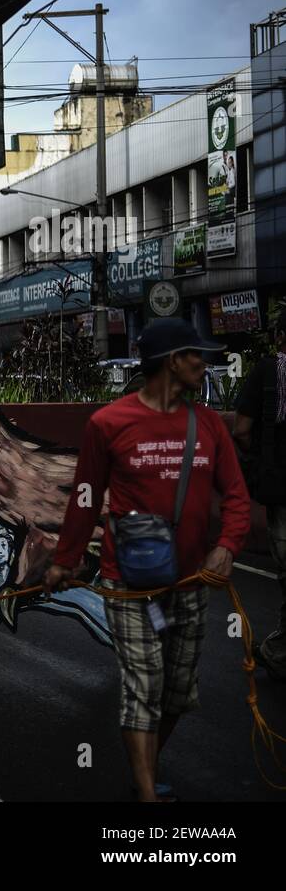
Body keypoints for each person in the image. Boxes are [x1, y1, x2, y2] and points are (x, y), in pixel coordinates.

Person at [45, 317, 251, 802]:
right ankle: (146, 796)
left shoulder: (209, 426)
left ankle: (146, 767)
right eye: (196, 355)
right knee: (145, 686)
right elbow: (86, 496)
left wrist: (228, 546)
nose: (204, 363)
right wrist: (65, 559)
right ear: (172, 362)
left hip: (190, 582)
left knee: (177, 692)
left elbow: (238, 498)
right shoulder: (108, 423)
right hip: (127, 581)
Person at [233, 310, 286, 679]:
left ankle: (278, 650)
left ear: (278, 337)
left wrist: (258, 465)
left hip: (280, 487)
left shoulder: (267, 372)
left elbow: (242, 429)